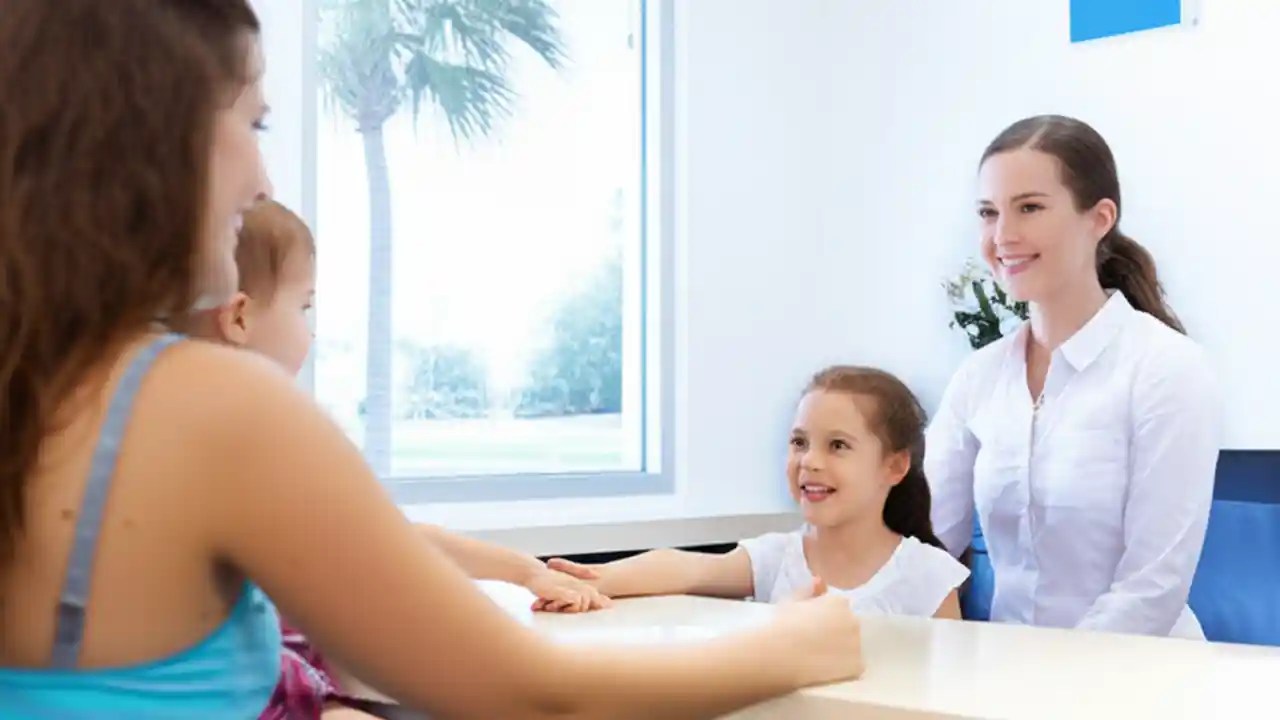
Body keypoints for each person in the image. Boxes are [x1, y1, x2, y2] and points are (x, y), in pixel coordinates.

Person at [0, 1, 863, 718]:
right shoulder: (208, 407)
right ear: (143, 141)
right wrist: (793, 644)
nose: (263, 178)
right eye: (251, 121)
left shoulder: (37, 395)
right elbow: (533, 696)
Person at [180, 198, 611, 720]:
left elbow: (387, 542)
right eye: (304, 307)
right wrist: (524, 575)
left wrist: (524, 572)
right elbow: (402, 545)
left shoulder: (186, 439)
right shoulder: (256, 449)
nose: (311, 331)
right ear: (240, 317)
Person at [925, 114, 1220, 639]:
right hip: (1010, 672)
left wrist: (1052, 676)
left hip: (1137, 672)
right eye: (988, 213)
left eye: (1030, 208)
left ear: (1099, 218)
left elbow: (1152, 588)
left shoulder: (1166, 369)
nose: (1002, 236)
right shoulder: (977, 379)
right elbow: (924, 549)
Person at [550, 366, 969, 620]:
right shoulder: (777, 557)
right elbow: (685, 568)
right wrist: (591, 581)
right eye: (799, 442)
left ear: (894, 466)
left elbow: (950, 690)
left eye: (837, 445)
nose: (810, 461)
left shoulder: (928, 575)